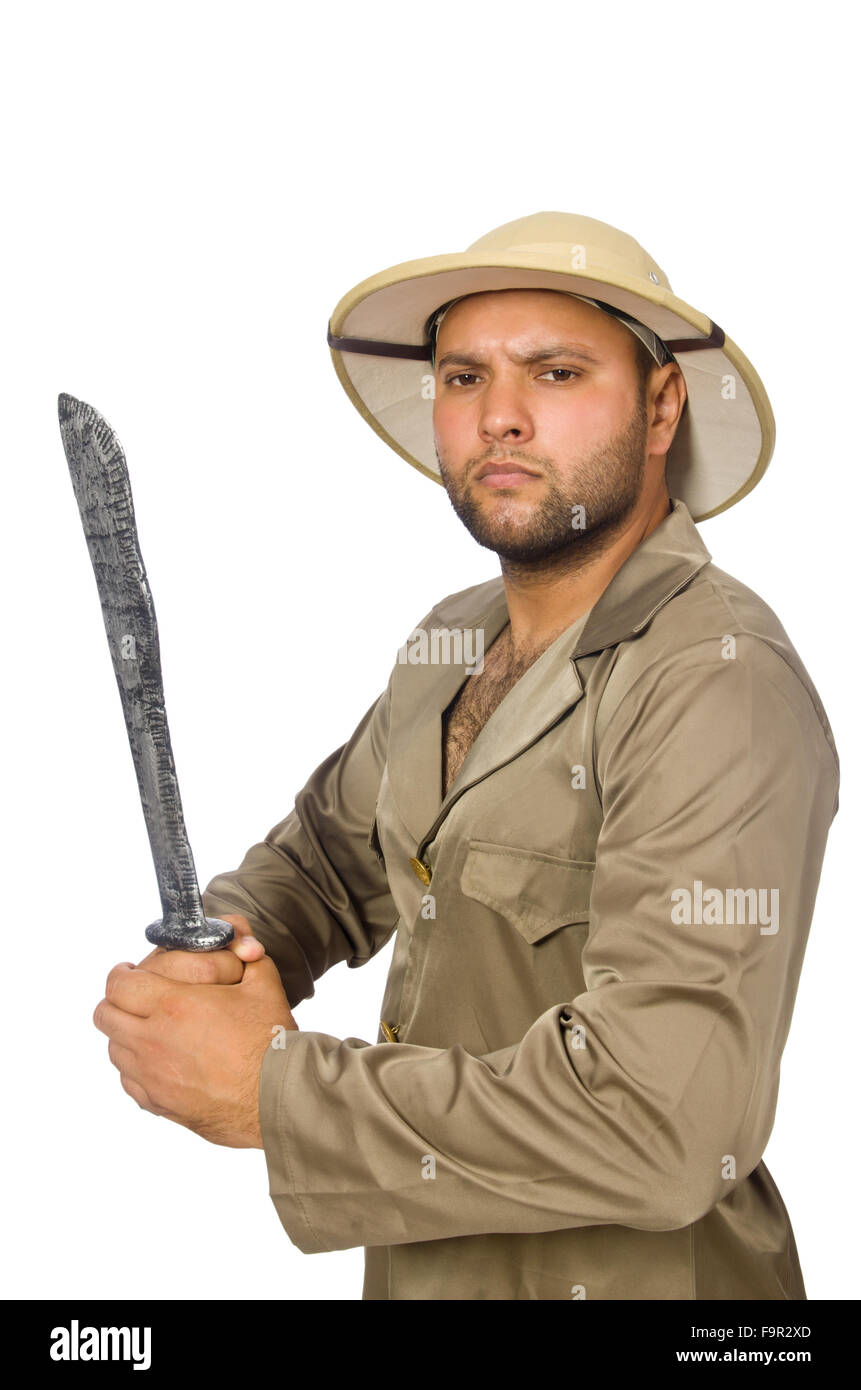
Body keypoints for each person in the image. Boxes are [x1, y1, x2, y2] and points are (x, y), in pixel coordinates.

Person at [94, 212, 840, 1300]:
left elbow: (663, 1120)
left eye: (555, 371)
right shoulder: (453, 642)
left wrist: (273, 1093)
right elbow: (327, 862)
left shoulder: (716, 680)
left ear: (662, 405)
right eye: (461, 377)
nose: (499, 417)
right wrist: (226, 945)